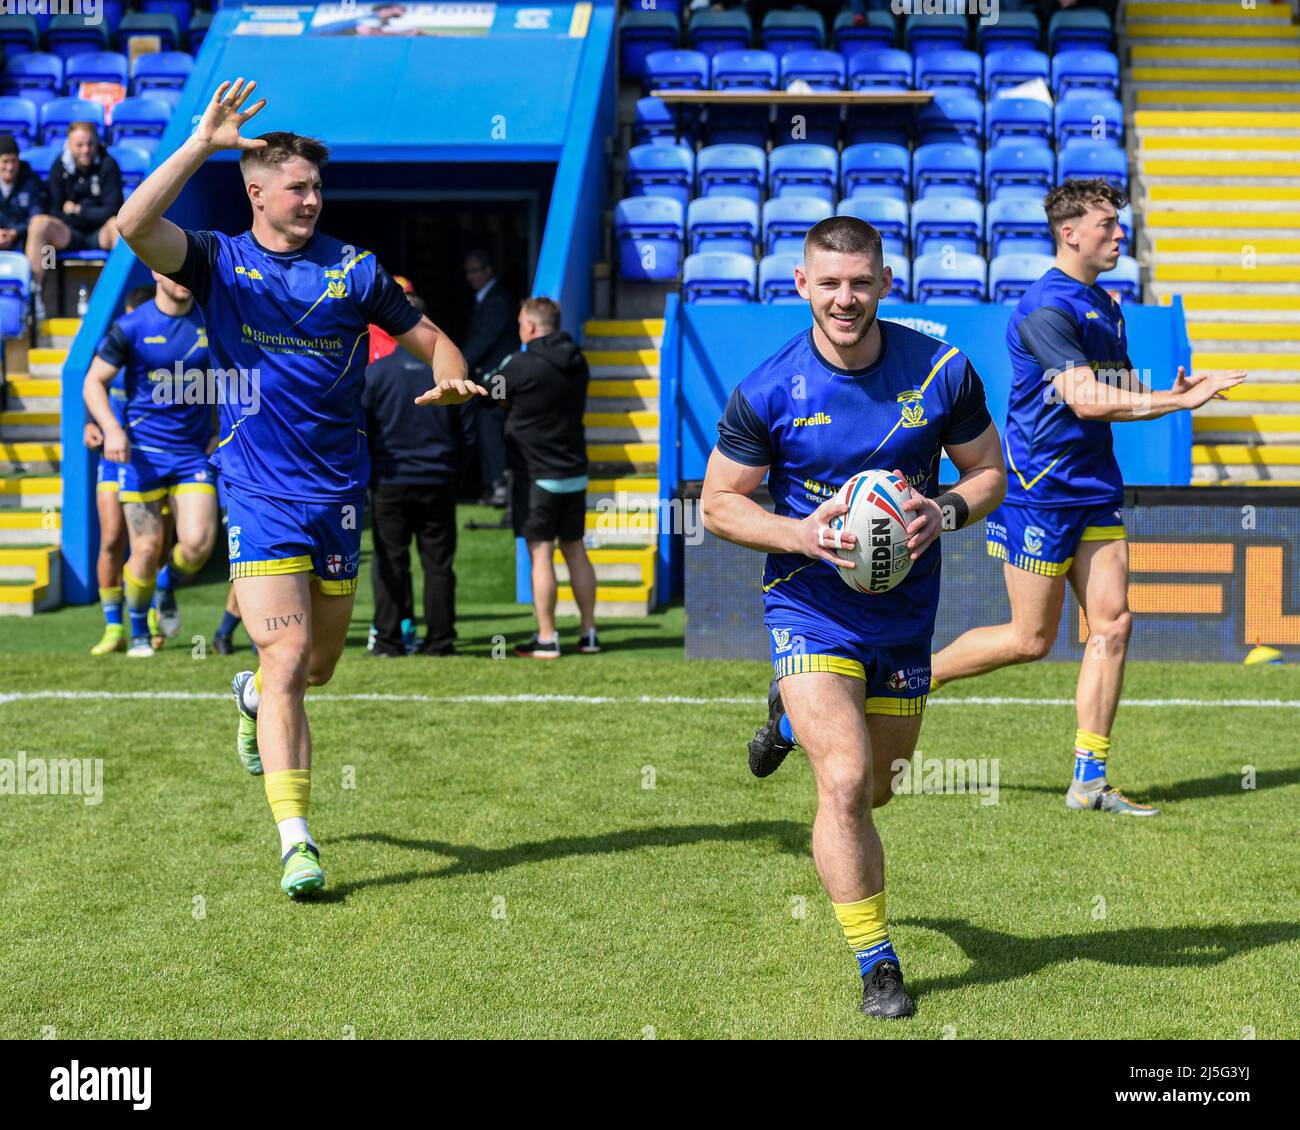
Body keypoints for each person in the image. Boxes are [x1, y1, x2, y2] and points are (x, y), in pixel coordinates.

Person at [115, 77, 480, 898]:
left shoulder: (354, 271)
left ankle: (245, 699)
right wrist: (200, 144)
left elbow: (434, 340)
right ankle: (297, 843)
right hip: (256, 492)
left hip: (338, 497)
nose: (313, 197)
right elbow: (132, 225)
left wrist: (453, 377)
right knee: (284, 660)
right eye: (298, 185)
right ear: (256, 192)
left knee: (315, 669)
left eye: (318, 186)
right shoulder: (215, 260)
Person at [701, 216, 1005, 1019]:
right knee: (840, 786)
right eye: (829, 283)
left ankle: (789, 724)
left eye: (860, 282)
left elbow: (989, 474)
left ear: (884, 282)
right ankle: (878, 962)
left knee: (877, 788)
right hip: (807, 606)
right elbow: (719, 505)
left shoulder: (941, 369)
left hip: (904, 618)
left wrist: (944, 509)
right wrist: (799, 533)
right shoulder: (768, 388)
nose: (845, 298)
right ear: (801, 284)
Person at [928, 179, 1246, 815]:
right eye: (1107, 224)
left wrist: (1169, 386)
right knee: (1030, 639)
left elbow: (1118, 386)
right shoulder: (1047, 306)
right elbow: (1083, 397)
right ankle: (906, 678)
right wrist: (1176, 402)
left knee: (1114, 623)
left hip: (1095, 487)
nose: (1119, 235)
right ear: (1069, 232)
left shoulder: (1106, 303)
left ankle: (1089, 779)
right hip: (1040, 490)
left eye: (1119, 225)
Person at [82, 270, 219, 658]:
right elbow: (93, 382)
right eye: (172, 272)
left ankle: (165, 582)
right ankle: (136, 630)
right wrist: (111, 429)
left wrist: (221, 427)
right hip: (142, 454)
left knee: (197, 545)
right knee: (142, 547)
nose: (182, 279)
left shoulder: (213, 320)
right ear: (157, 272)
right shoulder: (131, 326)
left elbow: (238, 378)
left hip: (192, 453)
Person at [486, 297, 600, 659]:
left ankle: (547, 637)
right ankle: (588, 633)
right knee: (575, 549)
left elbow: (490, 393)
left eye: (521, 322)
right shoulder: (577, 360)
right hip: (574, 472)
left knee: (541, 555)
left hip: (537, 475)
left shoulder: (521, 364)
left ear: (531, 327)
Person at [363, 292, 477, 657]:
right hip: (437, 478)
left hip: (391, 482)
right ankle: (440, 640)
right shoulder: (452, 378)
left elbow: (362, 430)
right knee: (438, 564)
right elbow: (468, 433)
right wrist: (455, 472)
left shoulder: (377, 374)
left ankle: (388, 639)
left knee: (390, 562)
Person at [84, 282, 155, 655]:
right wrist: (91, 427)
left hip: (153, 458)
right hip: (114, 460)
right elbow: (91, 395)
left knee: (150, 545)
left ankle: (150, 611)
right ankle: (114, 626)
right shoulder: (115, 349)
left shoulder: (160, 352)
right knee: (111, 538)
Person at [26, 121, 123, 313]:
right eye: (79, 145)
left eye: (90, 144)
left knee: (118, 225)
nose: (85, 150)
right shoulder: (59, 166)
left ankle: (117, 296)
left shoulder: (108, 164)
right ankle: (38, 295)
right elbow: (55, 211)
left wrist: (78, 211)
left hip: (100, 233)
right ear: (69, 144)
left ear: (97, 143)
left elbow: (113, 210)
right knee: (40, 225)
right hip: (68, 234)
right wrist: (86, 214)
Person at [462, 249, 517, 505]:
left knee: (491, 422)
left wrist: (456, 365)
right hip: (489, 374)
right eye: (468, 271)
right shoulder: (484, 298)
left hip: (498, 375)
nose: (470, 276)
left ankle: (499, 485)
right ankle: (493, 483)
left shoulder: (496, 301)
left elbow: (482, 343)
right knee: (486, 425)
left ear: (488, 271)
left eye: (475, 270)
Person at [0, 133, 43, 254]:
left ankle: (48, 272)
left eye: (14, 161)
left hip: (24, 239)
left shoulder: (31, 181)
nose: (10, 167)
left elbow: (37, 214)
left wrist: (15, 232)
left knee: (47, 247)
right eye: (5, 161)